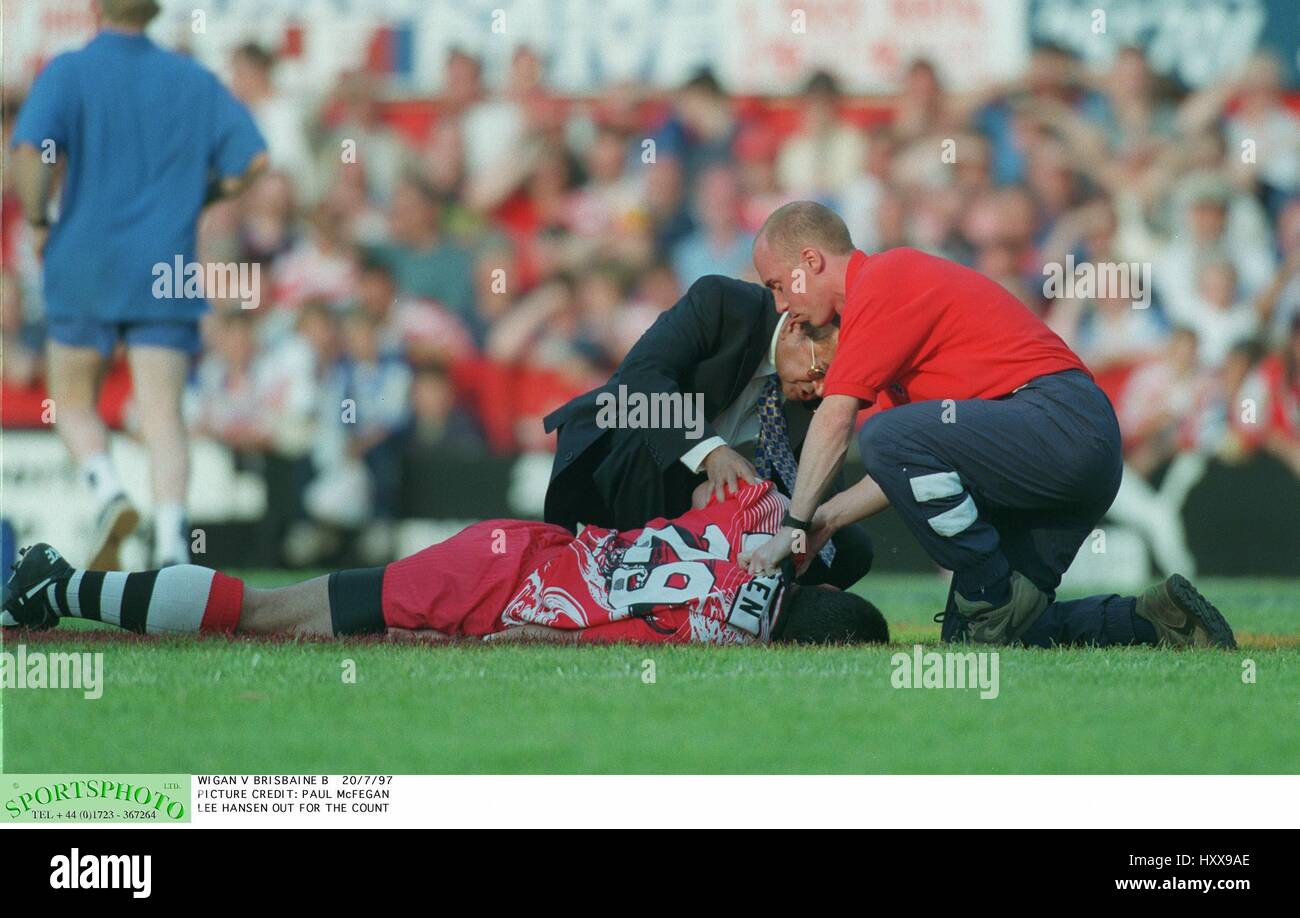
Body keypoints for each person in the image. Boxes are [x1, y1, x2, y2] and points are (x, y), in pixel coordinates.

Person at [742, 201, 1236, 649]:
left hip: (1060, 421)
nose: (783, 304)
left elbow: (841, 421)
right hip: (1066, 445)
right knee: (980, 639)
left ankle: (987, 589)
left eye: (778, 285)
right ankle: (1155, 621)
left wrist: (793, 527)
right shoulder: (887, 305)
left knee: (883, 437)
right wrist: (825, 521)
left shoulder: (883, 279)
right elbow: (898, 471)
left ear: (811, 261)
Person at [3, 481, 888, 648]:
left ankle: (64, 583)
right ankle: (62, 586)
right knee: (273, 615)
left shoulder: (758, 520)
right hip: (492, 589)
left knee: (282, 612)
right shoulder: (722, 635)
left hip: (515, 550)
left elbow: (764, 503)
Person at [10, 0, 267, 569]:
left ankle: (109, 493)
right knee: (163, 414)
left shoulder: (69, 70)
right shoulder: (193, 79)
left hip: (84, 258)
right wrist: (202, 197)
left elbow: (30, 151)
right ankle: (173, 542)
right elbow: (253, 161)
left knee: (73, 400)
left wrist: (36, 219)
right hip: (165, 263)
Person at [543, 274, 874, 590]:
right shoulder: (724, 302)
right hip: (629, 461)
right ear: (793, 328)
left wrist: (809, 527)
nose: (818, 389)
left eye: (830, 385)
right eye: (820, 371)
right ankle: (640, 575)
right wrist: (710, 451)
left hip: (725, 506)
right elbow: (639, 378)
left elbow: (819, 484)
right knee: (645, 423)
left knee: (848, 545)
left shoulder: (813, 395)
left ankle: (769, 603)